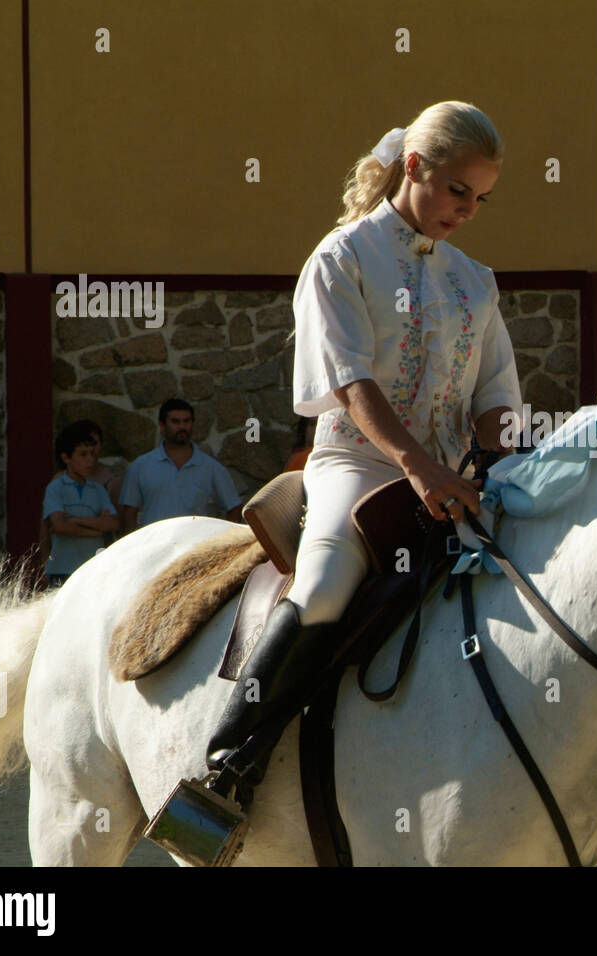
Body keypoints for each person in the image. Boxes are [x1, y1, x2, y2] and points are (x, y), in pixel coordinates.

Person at [201, 101, 523, 808]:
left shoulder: (476, 280)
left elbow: (497, 395)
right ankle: (225, 768)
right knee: (319, 590)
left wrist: (503, 466)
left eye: (481, 198)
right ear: (414, 166)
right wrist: (420, 466)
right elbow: (350, 383)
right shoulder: (341, 257)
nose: (468, 210)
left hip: (453, 479)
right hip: (357, 469)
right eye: (456, 190)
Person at [118, 398, 243, 531]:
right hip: (155, 546)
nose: (182, 427)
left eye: (186, 421)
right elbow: (128, 512)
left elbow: (234, 506)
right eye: (175, 422)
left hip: (194, 547)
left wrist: (223, 544)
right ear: (162, 425)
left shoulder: (210, 467)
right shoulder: (141, 466)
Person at [35, 420, 123, 573]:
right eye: (83, 455)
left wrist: (77, 520)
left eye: (92, 454)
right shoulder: (56, 488)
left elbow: (113, 523)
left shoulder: (98, 490)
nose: (90, 460)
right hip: (62, 568)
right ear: (66, 458)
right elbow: (58, 525)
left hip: (93, 570)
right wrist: (95, 530)